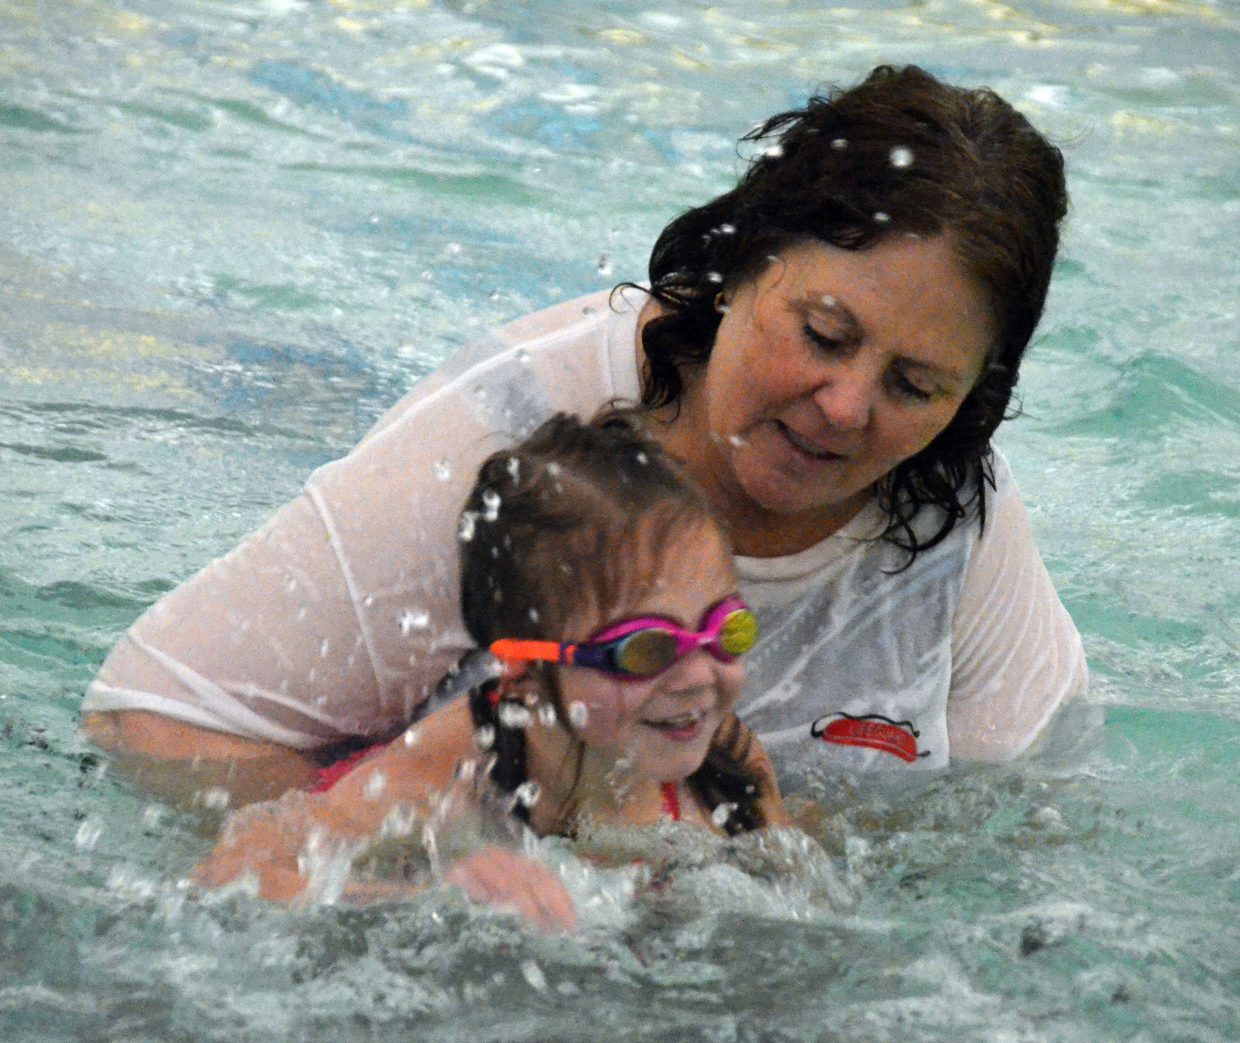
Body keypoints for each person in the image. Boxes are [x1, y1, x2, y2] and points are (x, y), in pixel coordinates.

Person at [81, 64, 1088, 805]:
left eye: (915, 384)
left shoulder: (954, 505)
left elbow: (1029, 816)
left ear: (974, 397)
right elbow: (155, 714)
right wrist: (389, 867)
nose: (845, 406)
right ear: (741, 262)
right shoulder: (523, 437)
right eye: (823, 334)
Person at [192, 411, 787, 932]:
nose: (696, 677)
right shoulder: (448, 769)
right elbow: (234, 872)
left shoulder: (729, 767)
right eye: (644, 650)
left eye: (724, 630)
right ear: (524, 668)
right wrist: (425, 902)